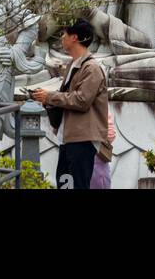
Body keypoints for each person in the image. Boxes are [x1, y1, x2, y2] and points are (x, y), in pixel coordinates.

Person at [32, 20, 109, 190]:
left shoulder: (92, 68)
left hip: (82, 139)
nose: (61, 38)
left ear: (74, 37)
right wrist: (48, 100)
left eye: (64, 34)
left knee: (78, 184)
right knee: (65, 184)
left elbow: (82, 100)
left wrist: (50, 96)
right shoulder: (72, 65)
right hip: (68, 137)